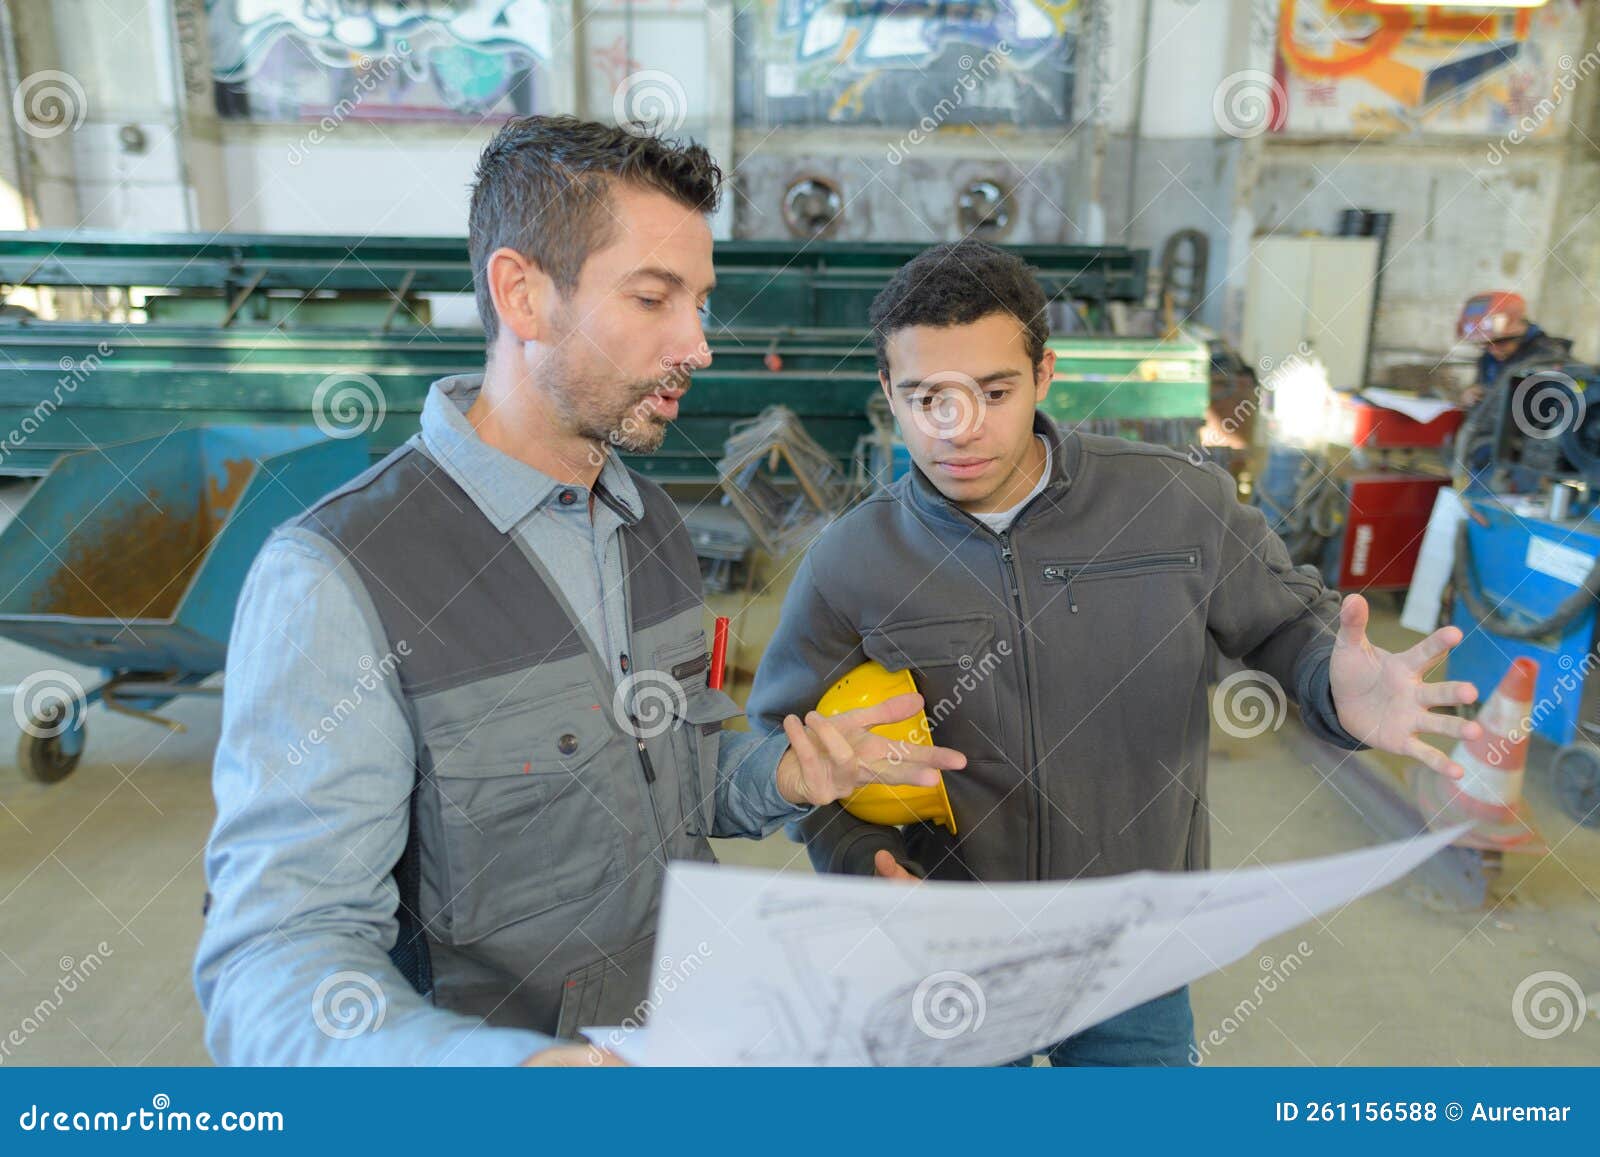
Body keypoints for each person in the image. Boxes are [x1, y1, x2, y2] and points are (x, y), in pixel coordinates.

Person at [193, 116, 963, 1066]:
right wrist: (505, 1076)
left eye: (701, 302)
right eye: (654, 298)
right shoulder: (340, 579)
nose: (699, 344)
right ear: (521, 293)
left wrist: (786, 775)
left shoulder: (652, 528)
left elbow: (653, 782)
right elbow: (270, 962)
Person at [746, 239, 1484, 1067]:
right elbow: (786, 743)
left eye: (995, 391)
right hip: (948, 947)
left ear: (1045, 375)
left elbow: (1285, 627)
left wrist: (1333, 686)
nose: (960, 428)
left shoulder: (1173, 502)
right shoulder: (852, 560)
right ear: (887, 391)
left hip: (1135, 950)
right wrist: (863, 865)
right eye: (925, 397)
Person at [1454, 291, 1572, 482]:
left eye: (1499, 343)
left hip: (1524, 455)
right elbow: (1485, 390)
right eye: (1486, 345)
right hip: (1486, 447)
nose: (1493, 351)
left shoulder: (1547, 357)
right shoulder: (1490, 357)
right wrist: (1472, 392)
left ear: (1520, 331)